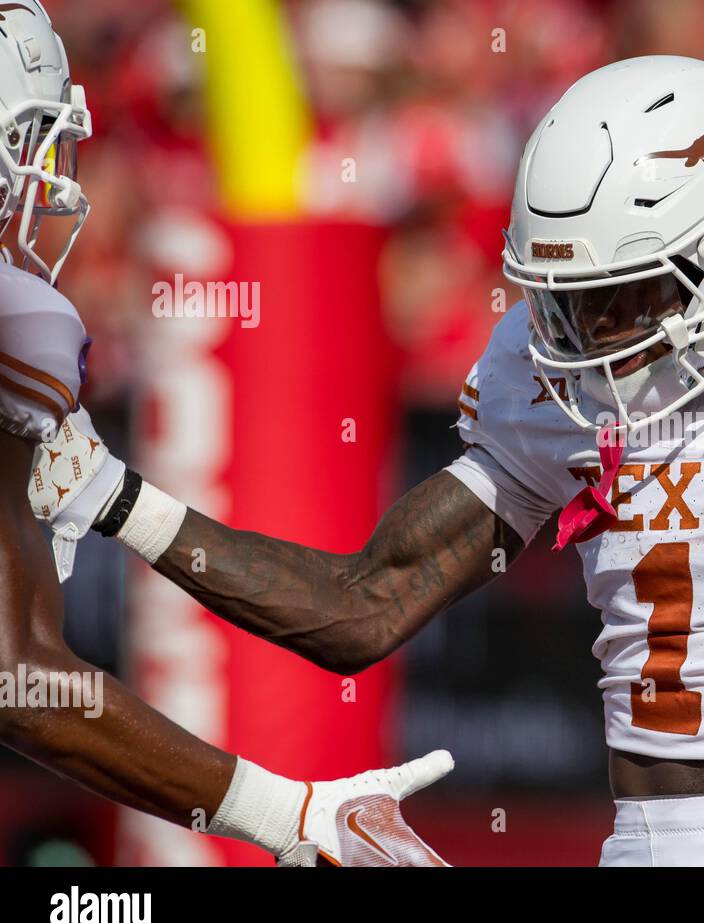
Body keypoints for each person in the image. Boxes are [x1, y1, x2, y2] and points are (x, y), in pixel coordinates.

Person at [35, 55, 704, 866]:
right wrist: (115, 497)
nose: (589, 334)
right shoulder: (569, 386)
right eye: (569, 300)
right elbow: (361, 606)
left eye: (625, 295)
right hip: (635, 836)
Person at [0, 0, 451, 868]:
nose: (43, 178)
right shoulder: (19, 328)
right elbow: (19, 677)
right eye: (29, 145)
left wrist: (116, 499)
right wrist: (294, 815)